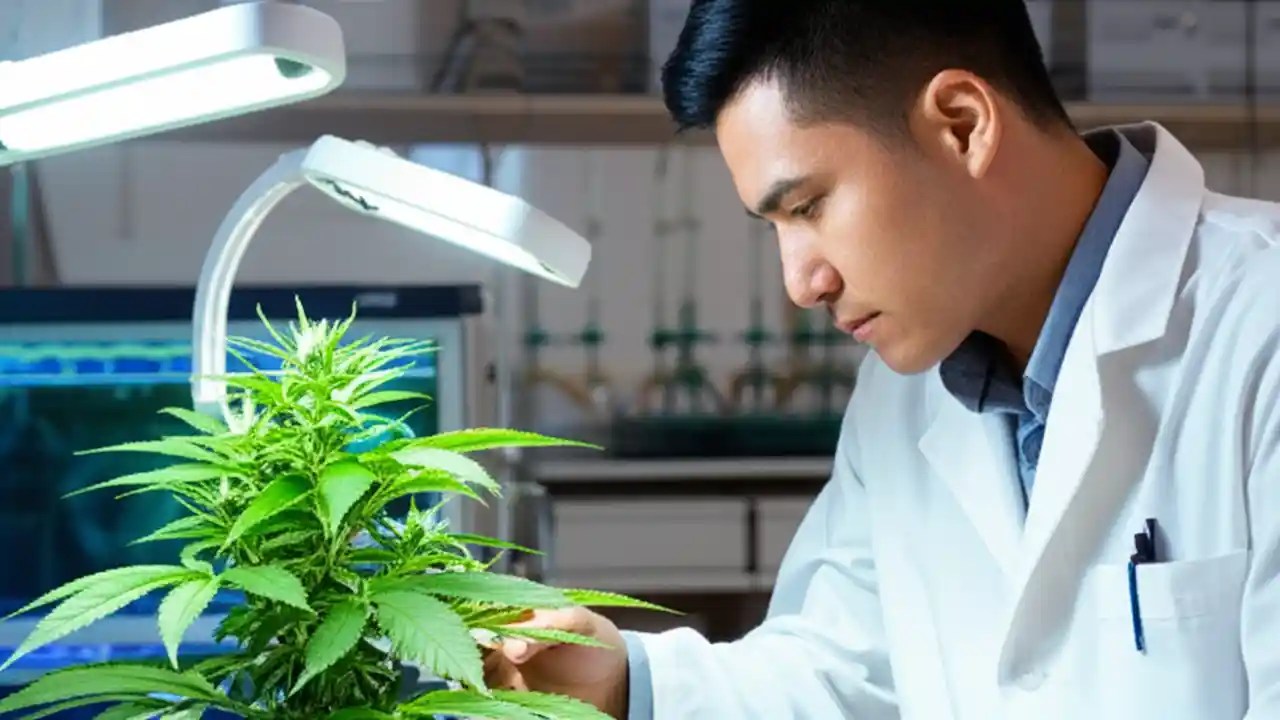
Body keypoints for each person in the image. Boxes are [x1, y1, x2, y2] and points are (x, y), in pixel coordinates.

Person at [484, 1, 1280, 717]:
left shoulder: (1259, 329)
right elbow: (842, 672)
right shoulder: (906, 388)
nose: (800, 282)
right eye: (777, 227)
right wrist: (627, 683)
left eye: (809, 206)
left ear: (963, 124)